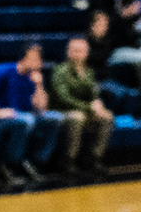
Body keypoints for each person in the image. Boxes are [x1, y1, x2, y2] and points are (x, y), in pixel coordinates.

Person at [0, 43, 60, 185]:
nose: (37, 63)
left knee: (53, 118)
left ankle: (33, 162)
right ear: (23, 59)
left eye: (39, 59)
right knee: (26, 120)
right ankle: (9, 164)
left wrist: (39, 85)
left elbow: (42, 108)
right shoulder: (4, 70)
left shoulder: (34, 78)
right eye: (33, 58)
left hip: (22, 119)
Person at [47, 35, 113, 178]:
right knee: (77, 117)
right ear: (68, 52)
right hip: (61, 112)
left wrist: (97, 104)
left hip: (84, 110)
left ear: (86, 53)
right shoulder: (61, 70)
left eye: (81, 51)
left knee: (107, 116)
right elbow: (63, 98)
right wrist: (89, 106)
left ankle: (95, 158)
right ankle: (68, 161)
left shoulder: (88, 72)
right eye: (74, 51)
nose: (77, 54)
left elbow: (94, 94)